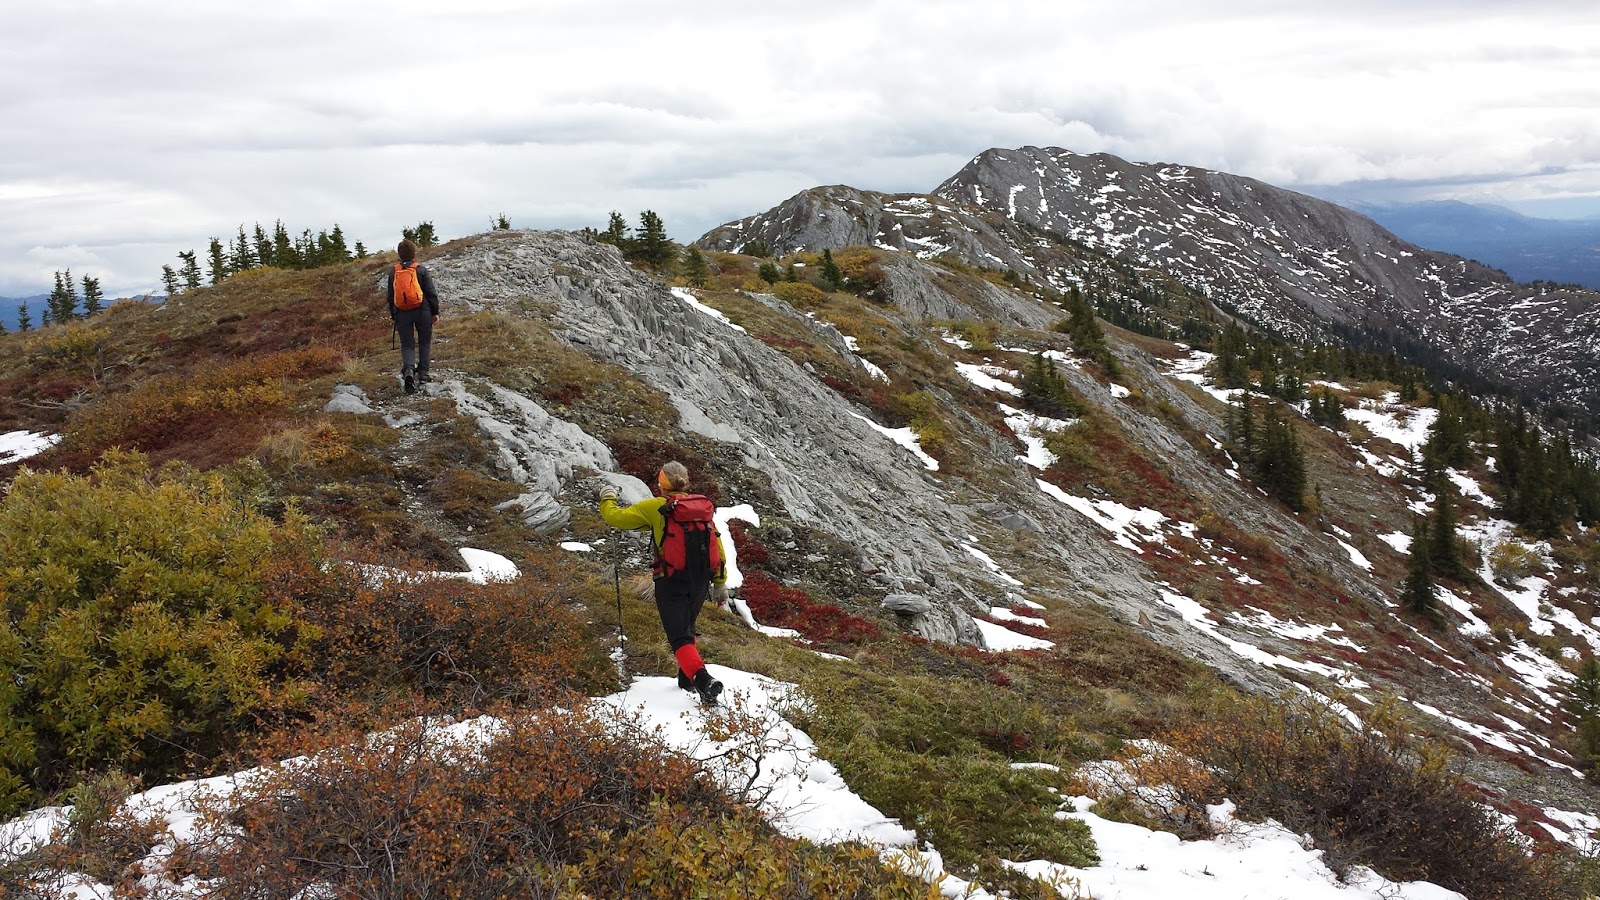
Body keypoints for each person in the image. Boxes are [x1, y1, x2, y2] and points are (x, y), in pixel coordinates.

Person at [599, 461, 729, 705]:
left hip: (671, 581)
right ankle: (686, 681)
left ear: (661, 485)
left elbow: (614, 518)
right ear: (686, 483)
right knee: (687, 628)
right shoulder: (701, 508)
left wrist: (607, 497)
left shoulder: (657, 507)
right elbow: (717, 544)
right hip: (700, 582)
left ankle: (703, 680)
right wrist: (721, 583)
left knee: (679, 637)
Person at [387, 239, 440, 394]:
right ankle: (423, 374)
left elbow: (390, 297)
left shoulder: (394, 271)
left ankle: (409, 370)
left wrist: (394, 315)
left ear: (399, 254)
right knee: (424, 342)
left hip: (402, 312)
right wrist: (435, 312)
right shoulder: (420, 270)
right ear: (414, 253)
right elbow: (431, 293)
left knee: (407, 344)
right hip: (422, 310)